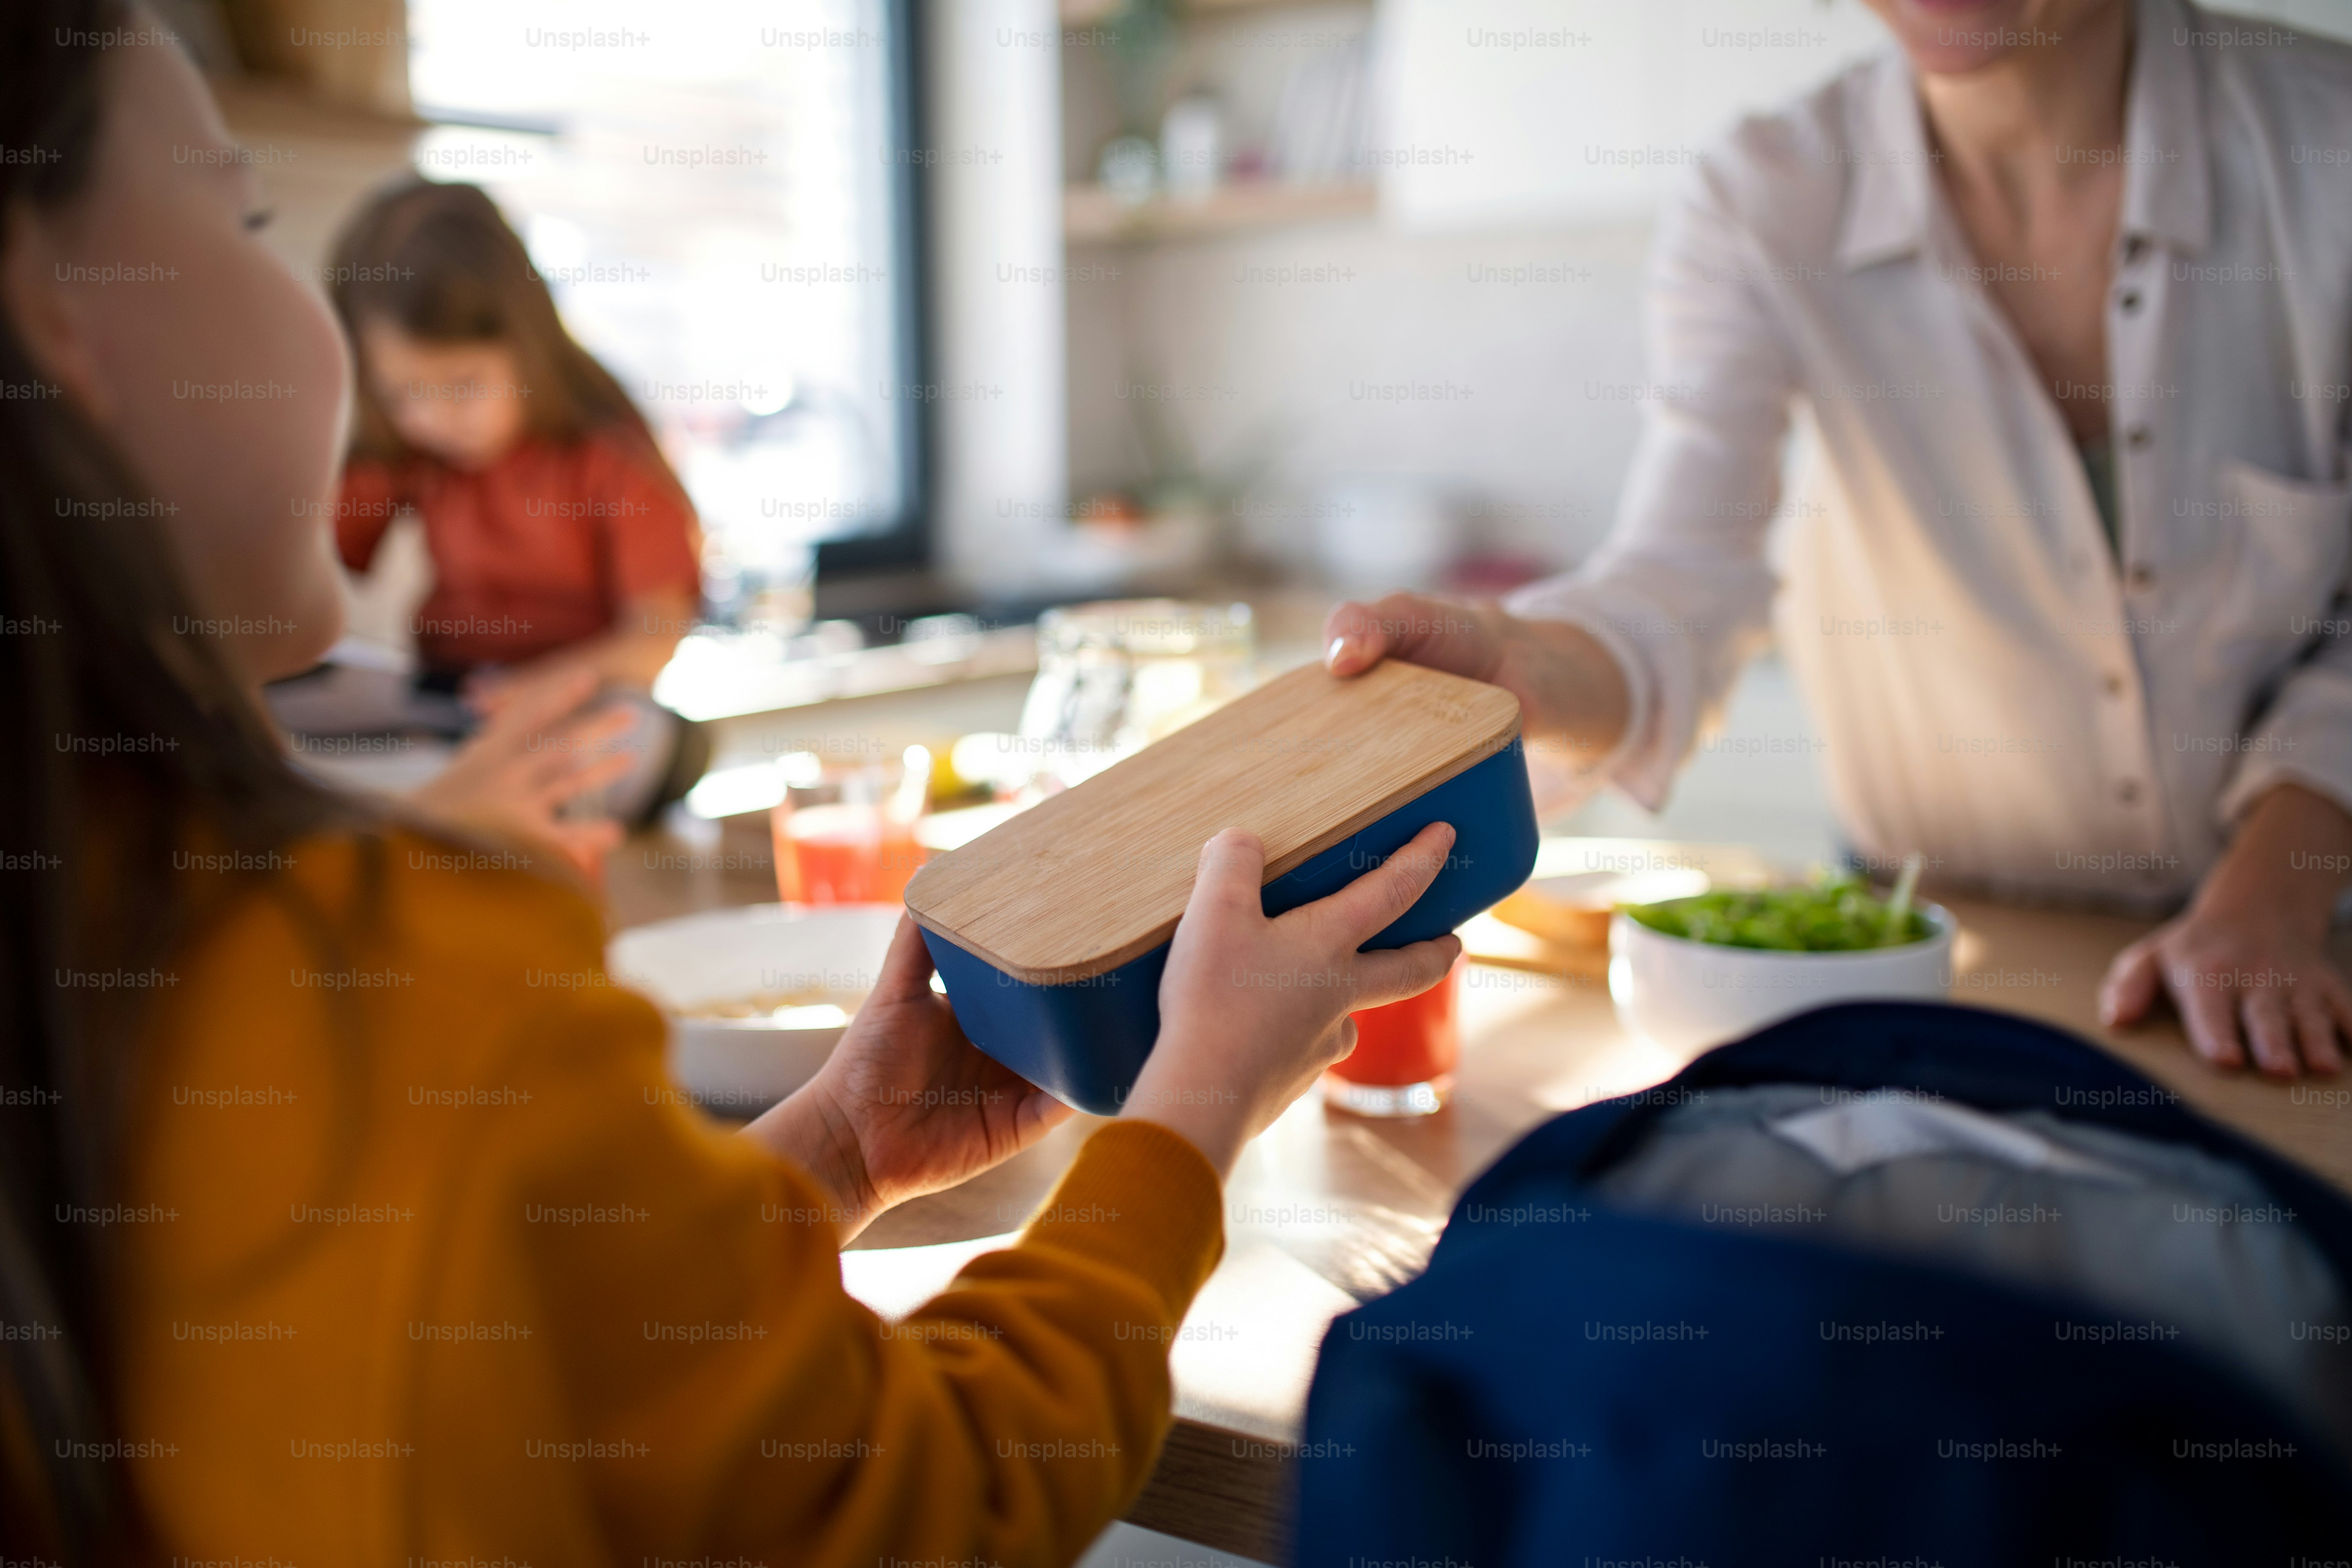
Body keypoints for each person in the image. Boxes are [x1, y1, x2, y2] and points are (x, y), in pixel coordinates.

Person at [0, 6, 1463, 1561]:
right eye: (240, 212)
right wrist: (1188, 1116)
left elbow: (554, 1336)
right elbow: (919, 1499)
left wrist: (835, 1148)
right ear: (53, 320)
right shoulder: (405, 981)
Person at [1326, 0, 2352, 1079]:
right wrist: (1526, 670)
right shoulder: (1766, 192)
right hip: (1918, 942)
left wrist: (2272, 895)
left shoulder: (2325, 149)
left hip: (2298, 942)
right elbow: (1682, 577)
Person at [279, 176, 708, 826]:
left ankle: (440, 794)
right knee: (284, 694)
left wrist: (539, 691)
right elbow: (321, 570)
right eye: (401, 394)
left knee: (651, 742)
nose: (431, 417)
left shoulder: (605, 456)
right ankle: (443, 786)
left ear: (527, 346)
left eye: (463, 385)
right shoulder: (415, 452)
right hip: (448, 703)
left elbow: (655, 634)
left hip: (567, 709)